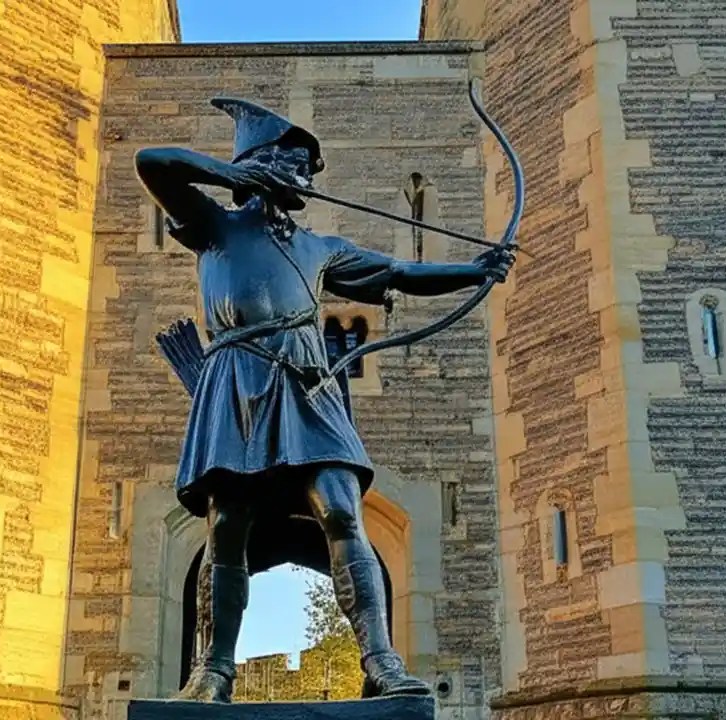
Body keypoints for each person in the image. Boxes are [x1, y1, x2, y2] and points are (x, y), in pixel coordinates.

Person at [134, 97, 513, 703]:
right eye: (295, 163)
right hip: (235, 378)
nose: (308, 177)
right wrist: (231, 176)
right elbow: (153, 161)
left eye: (310, 167)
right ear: (261, 166)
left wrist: (474, 271)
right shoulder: (212, 228)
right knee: (227, 525)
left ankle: (382, 662)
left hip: (307, 385)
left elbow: (397, 274)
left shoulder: (321, 249)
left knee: (341, 510)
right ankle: (214, 669)